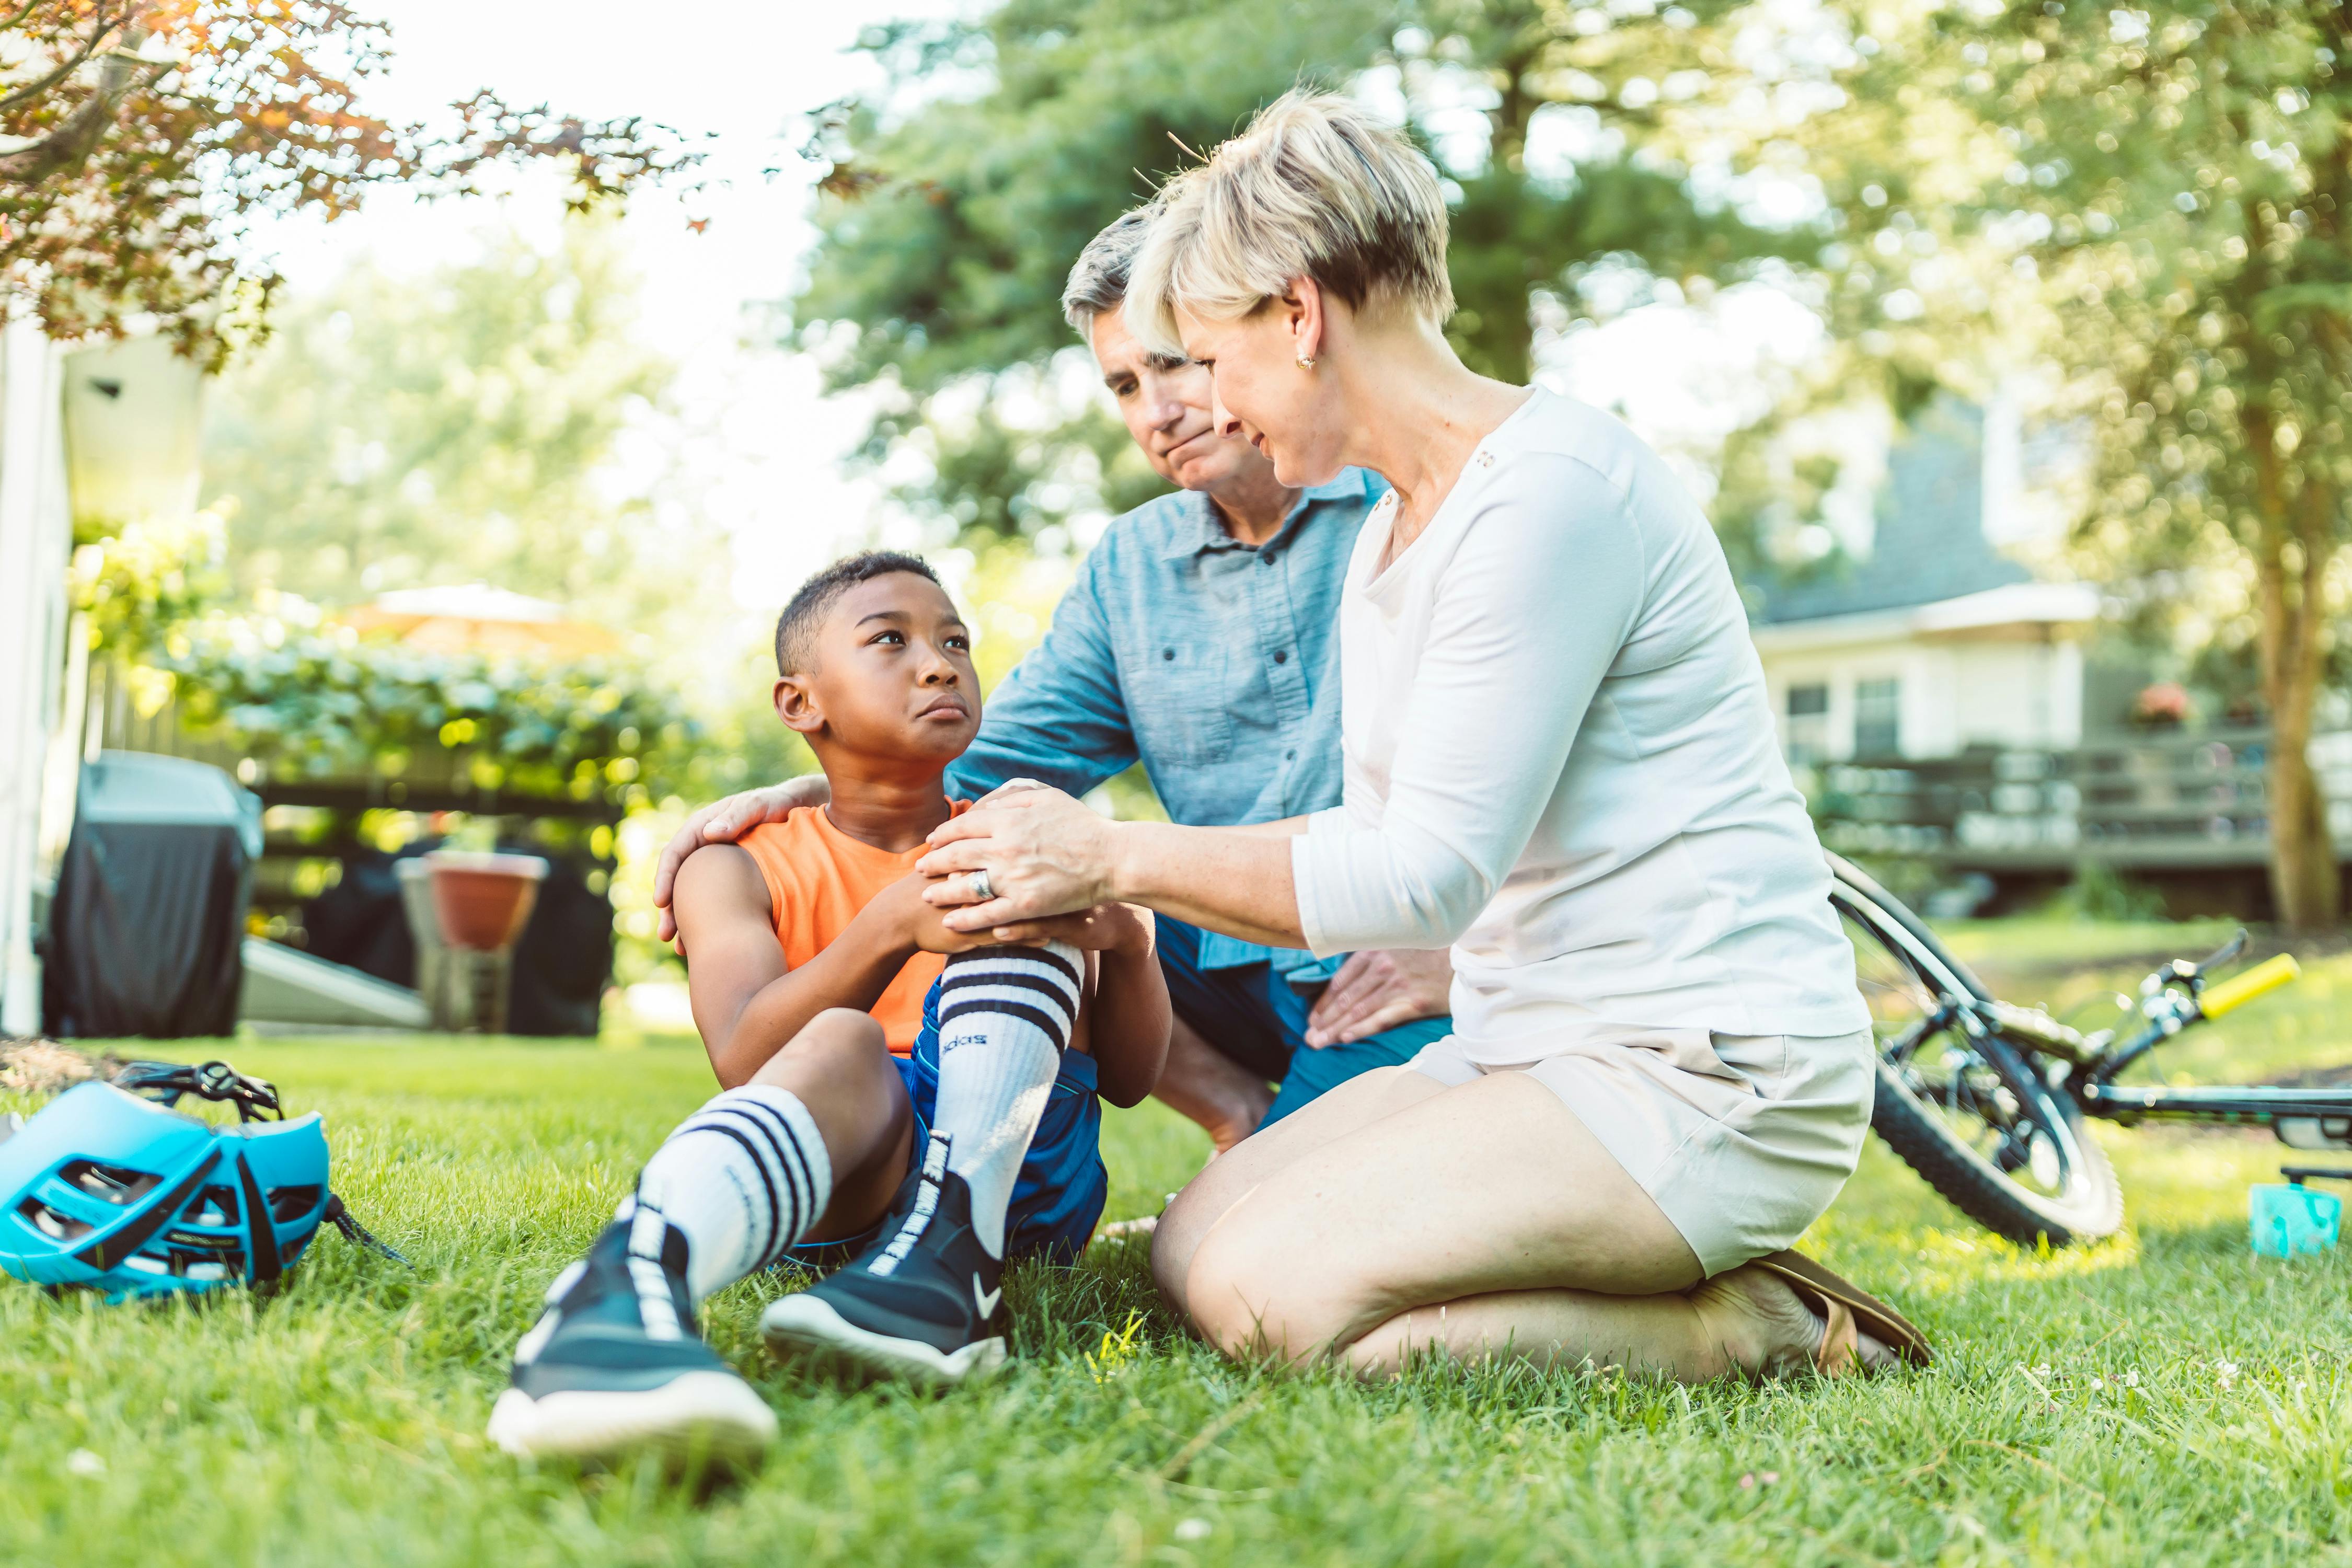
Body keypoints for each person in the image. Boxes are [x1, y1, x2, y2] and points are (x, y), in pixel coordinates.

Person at [910, 91, 1933, 1382]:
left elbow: (1423, 875)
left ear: (1300, 314)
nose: (1205, 402)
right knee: (1192, 1245)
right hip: (1530, 1041)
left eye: (1211, 358)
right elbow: (1378, 835)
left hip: (1704, 1068)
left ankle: (1759, 1328)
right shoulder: (1402, 522)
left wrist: (1111, 859)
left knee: (1273, 1306)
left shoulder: (1548, 500)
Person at [651, 209, 1451, 1154]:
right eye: (1124, 384)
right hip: (1219, 952)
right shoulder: (1133, 564)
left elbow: (1541, 778)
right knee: (1039, 882)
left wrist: (1473, 951)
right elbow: (985, 765)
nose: (1158, 411)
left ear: (1259, 336)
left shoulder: (1411, 511)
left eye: (1176, 362)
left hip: (1393, 948)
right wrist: (815, 788)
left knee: (1284, 1215)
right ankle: (1237, 1119)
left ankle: (1279, 1150)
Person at [488, 552, 1169, 1463]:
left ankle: (954, 1259)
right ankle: (622, 1292)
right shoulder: (733, 861)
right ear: (800, 704)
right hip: (846, 1167)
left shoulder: (1021, 833)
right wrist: (890, 926)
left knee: (1012, 888)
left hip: (1022, 1185)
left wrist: (1128, 944)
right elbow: (741, 1056)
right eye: (891, 640)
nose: (939, 663)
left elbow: (1129, 1082)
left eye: (954, 642)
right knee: (843, 1039)